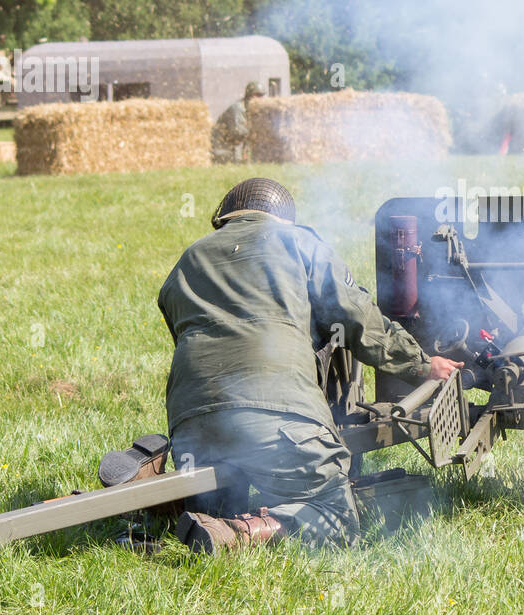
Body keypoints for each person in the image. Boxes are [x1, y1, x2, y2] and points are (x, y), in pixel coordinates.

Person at [153, 177, 462, 553]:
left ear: (226, 217)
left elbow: (179, 330)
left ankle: (197, 514)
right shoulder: (299, 243)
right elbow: (357, 317)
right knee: (334, 514)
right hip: (277, 415)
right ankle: (240, 533)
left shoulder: (190, 257)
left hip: (191, 425)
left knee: (219, 500)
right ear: (283, 219)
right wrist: (422, 365)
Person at [211, 81, 267, 163]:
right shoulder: (238, 108)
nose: (260, 99)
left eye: (261, 96)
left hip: (231, 149)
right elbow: (237, 132)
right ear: (249, 96)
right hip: (221, 150)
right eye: (257, 95)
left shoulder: (249, 109)